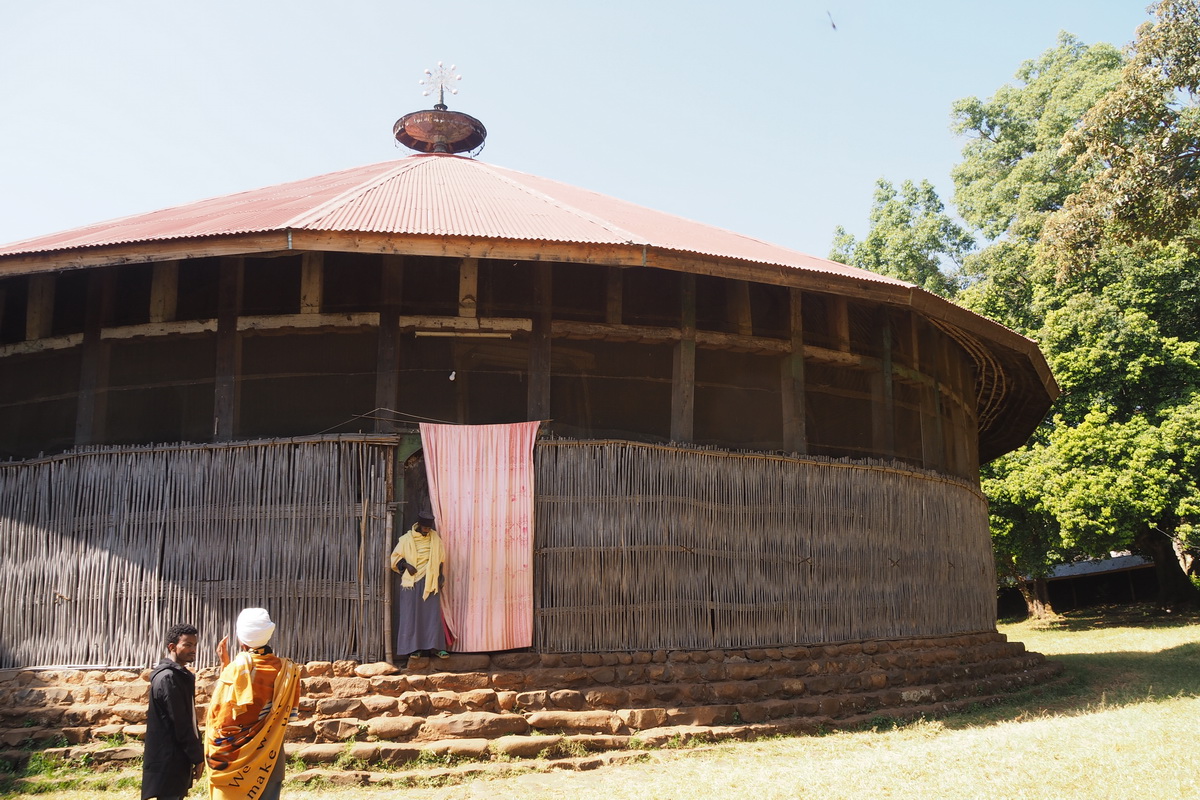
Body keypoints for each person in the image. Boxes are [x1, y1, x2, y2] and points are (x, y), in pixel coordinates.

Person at [204, 608, 301, 800]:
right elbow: (287, 715)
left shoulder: (235, 670)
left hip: (233, 765)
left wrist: (225, 667)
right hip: (270, 759)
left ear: (241, 639)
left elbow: (222, 719)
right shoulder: (288, 670)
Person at [142, 623, 205, 800]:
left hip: (175, 757)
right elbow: (181, 722)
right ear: (172, 647)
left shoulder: (179, 675)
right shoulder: (168, 678)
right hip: (169, 758)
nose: (193, 650)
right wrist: (197, 756)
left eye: (195, 645)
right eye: (187, 645)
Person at [389, 510, 449, 658]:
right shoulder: (406, 540)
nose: (427, 531)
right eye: (425, 528)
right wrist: (406, 565)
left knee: (432, 615)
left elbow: (440, 560)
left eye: (429, 528)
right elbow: (395, 559)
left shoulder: (435, 539)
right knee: (411, 615)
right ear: (419, 526)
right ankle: (414, 649)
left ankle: (436, 647)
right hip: (412, 582)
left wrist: (441, 576)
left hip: (430, 581)